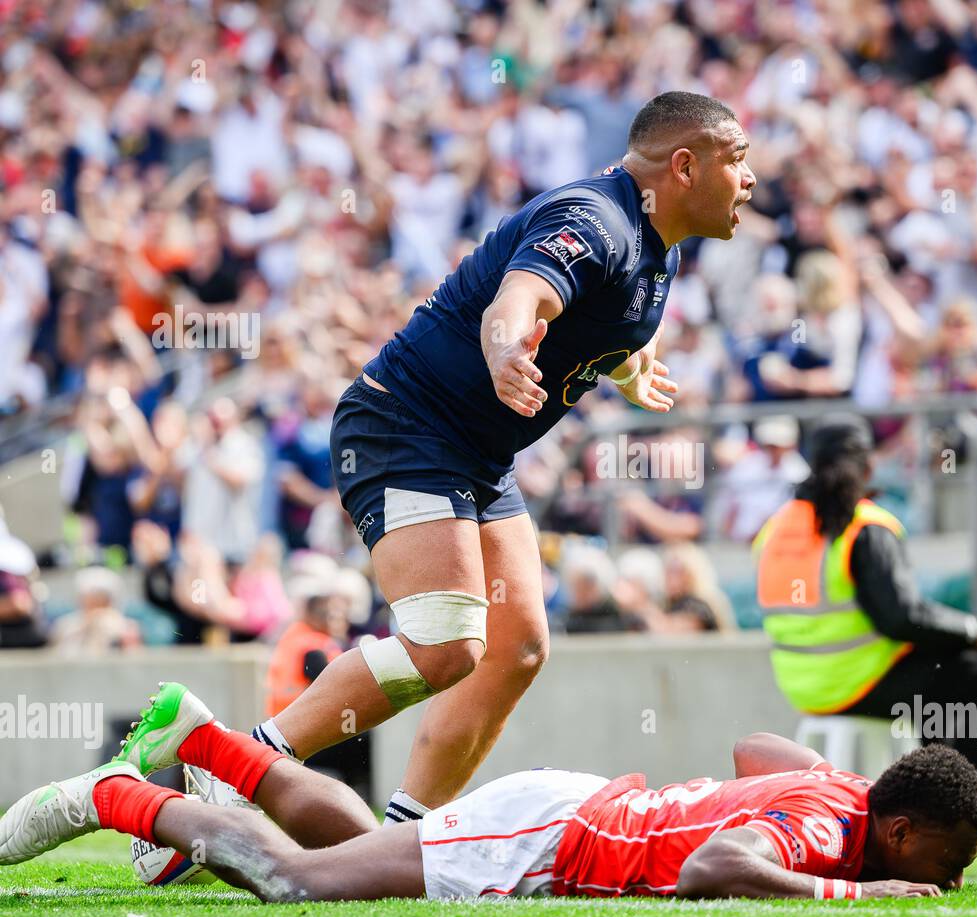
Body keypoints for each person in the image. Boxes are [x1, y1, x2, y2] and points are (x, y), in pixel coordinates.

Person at [238, 93, 755, 829]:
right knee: (447, 645)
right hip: (405, 426)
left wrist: (631, 370)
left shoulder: (656, 242)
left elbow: (602, 313)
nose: (751, 179)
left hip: (477, 453)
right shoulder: (594, 220)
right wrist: (508, 346)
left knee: (516, 649)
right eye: (738, 161)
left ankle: (404, 834)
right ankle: (227, 769)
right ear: (684, 165)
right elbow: (521, 299)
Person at [0, 683, 977, 902]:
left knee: (358, 858)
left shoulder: (840, 796)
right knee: (292, 882)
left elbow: (750, 743)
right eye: (941, 864)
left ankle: (206, 738)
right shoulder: (830, 826)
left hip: (562, 813)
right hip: (550, 834)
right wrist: (859, 891)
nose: (942, 885)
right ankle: (119, 793)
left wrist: (834, 786)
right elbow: (712, 865)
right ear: (898, 831)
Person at [753, 418, 977, 832]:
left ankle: (922, 810)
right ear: (868, 468)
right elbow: (901, 618)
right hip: (859, 682)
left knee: (944, 691)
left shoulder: (776, 527)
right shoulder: (864, 526)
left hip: (801, 684)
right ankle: (956, 821)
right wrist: (974, 632)